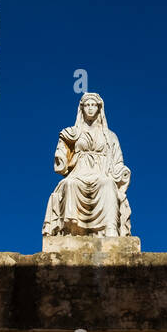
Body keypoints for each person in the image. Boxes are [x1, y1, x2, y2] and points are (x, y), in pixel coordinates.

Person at [42, 92, 131, 238]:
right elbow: (62, 158)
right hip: (78, 173)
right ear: (82, 108)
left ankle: (110, 229)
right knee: (69, 184)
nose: (90, 108)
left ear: (99, 108)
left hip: (101, 173)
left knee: (108, 184)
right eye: (87, 105)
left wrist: (122, 171)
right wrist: (62, 154)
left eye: (93, 105)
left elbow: (118, 161)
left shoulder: (110, 136)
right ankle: (71, 230)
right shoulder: (72, 133)